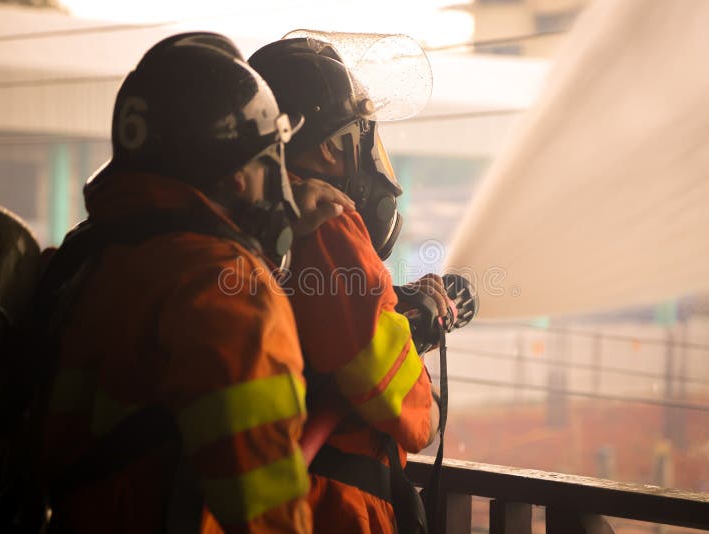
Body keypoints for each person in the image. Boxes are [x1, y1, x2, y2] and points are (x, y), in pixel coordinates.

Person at [39, 32, 353, 534]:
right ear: (234, 178)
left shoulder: (90, 255)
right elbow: (265, 510)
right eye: (271, 160)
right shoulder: (229, 291)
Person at [250, 37, 448, 534]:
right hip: (333, 505)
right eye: (362, 137)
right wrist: (418, 334)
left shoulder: (261, 216)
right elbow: (400, 407)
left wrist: (395, 308)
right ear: (333, 145)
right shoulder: (326, 220)